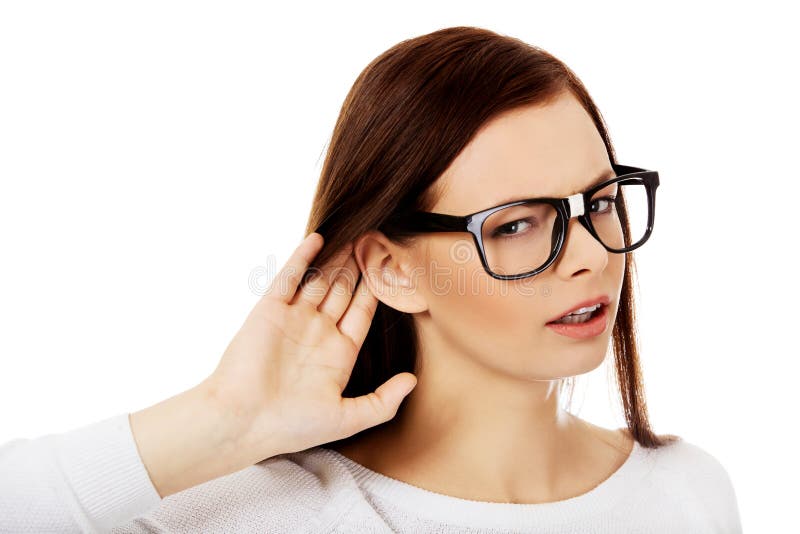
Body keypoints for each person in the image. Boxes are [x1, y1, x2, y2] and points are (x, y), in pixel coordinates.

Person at [0, 25, 743, 533]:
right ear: (391, 269)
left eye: (600, 202)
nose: (589, 254)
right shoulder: (253, 512)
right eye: (517, 224)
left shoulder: (686, 491)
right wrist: (220, 420)